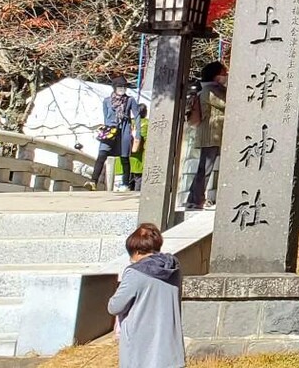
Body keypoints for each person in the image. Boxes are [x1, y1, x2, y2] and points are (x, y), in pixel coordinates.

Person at [108, 222, 184, 368]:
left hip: (140, 351)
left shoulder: (135, 272)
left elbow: (115, 306)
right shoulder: (174, 269)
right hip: (170, 349)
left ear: (136, 251)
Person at [185, 63, 226, 211]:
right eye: (223, 72)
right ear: (215, 75)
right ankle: (196, 201)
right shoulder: (210, 90)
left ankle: (193, 199)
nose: (225, 75)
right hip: (210, 134)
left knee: (203, 169)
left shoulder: (209, 88)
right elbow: (226, 104)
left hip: (210, 134)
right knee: (205, 169)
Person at [92, 81, 143, 191]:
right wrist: (104, 129)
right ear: (114, 88)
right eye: (119, 86)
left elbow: (137, 116)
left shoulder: (130, 100)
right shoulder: (106, 101)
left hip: (124, 131)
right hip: (110, 131)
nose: (122, 89)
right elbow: (105, 117)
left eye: (124, 87)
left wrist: (137, 134)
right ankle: (93, 181)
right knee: (102, 155)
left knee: (124, 157)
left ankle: (125, 184)